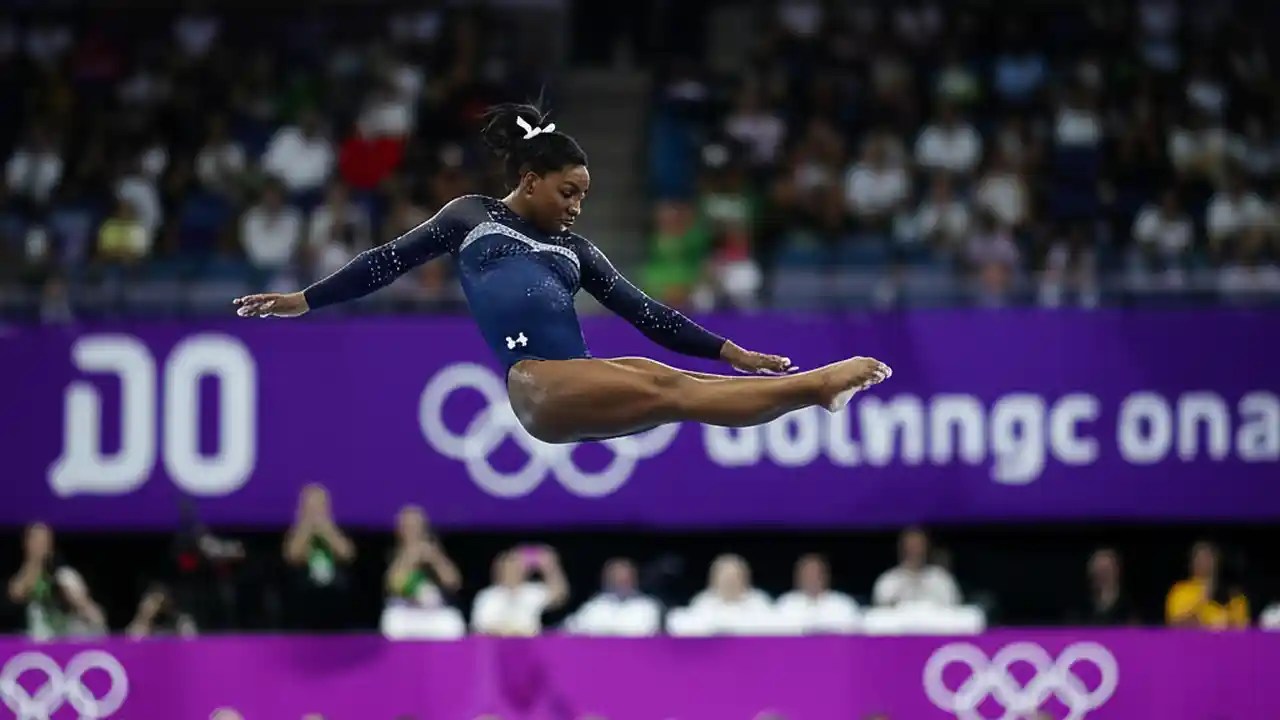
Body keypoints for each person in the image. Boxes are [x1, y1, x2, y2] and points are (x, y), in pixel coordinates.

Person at [235, 103, 892, 444]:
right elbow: (387, 260)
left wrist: (733, 351)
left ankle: (815, 391)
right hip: (536, 387)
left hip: (570, 386)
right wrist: (305, 299)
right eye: (569, 191)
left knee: (672, 380)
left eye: (584, 195)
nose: (577, 206)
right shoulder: (473, 217)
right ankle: (816, 388)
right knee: (670, 387)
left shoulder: (576, 253)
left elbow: (649, 314)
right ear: (530, 179)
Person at [1166, 541, 1249, 629]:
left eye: (1208, 556)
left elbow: (1242, 629)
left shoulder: (1234, 595)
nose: (1204, 561)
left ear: (1217, 559)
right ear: (1191, 562)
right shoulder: (1179, 592)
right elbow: (1174, 627)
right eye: (1199, 557)